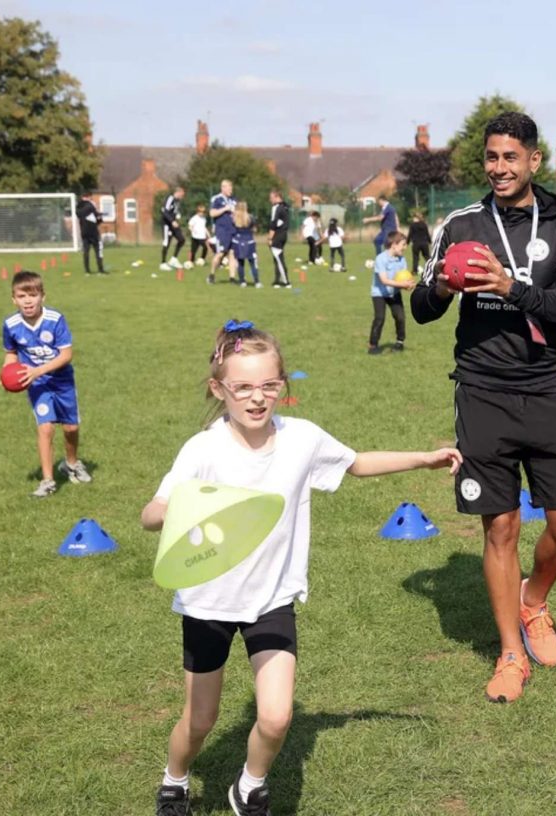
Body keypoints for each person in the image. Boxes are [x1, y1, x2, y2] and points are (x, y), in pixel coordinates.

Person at [143, 320, 460, 816]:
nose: (257, 398)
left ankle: (249, 787)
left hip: (272, 598)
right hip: (208, 601)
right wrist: (170, 511)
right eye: (242, 387)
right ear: (218, 389)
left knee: (276, 717)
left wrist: (424, 459)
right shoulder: (202, 449)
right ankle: (175, 779)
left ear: (282, 385)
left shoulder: (302, 439)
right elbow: (152, 512)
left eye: (269, 385)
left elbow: (356, 463)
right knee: (200, 720)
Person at [411, 111, 556, 703]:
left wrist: (509, 287)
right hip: (482, 389)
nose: (499, 167)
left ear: (533, 160)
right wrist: (444, 287)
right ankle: (510, 653)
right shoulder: (460, 223)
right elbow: (420, 307)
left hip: (546, 386)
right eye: (492, 157)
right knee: (501, 527)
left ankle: (532, 599)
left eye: (511, 157)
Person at [2, 271, 91, 497]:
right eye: (22, 296)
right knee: (46, 428)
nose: (28, 301)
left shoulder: (55, 319)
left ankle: (71, 463)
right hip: (37, 384)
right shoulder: (11, 325)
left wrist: (38, 370)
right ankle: (48, 481)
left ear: (43, 296)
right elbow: (11, 352)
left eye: (33, 295)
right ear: (14, 299)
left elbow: (66, 355)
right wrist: (6, 374)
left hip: (62, 381)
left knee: (71, 428)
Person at [368, 230, 413, 354]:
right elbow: (384, 280)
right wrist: (402, 285)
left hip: (394, 293)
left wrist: (408, 285)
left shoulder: (402, 260)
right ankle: (373, 345)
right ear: (394, 244)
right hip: (379, 293)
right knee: (380, 318)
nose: (405, 247)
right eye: (403, 244)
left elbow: (404, 278)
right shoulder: (380, 259)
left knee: (400, 317)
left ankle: (400, 342)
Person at [209, 180, 238, 285]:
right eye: (229, 188)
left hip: (233, 230)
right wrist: (224, 209)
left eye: (231, 188)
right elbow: (212, 213)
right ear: (223, 188)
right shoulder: (217, 199)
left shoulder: (234, 199)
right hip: (222, 230)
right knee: (220, 253)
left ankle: (232, 278)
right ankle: (212, 274)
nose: (231, 190)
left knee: (232, 254)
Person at [75, 192, 106, 275]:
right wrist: (99, 215)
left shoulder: (78, 206)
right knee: (98, 251)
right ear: (87, 197)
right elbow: (97, 219)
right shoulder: (90, 205)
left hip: (84, 232)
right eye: (90, 197)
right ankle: (100, 270)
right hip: (93, 232)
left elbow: (79, 215)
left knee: (86, 251)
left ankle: (87, 271)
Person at [232, 202, 261, 289]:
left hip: (238, 241)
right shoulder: (250, 217)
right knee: (253, 263)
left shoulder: (234, 218)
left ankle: (242, 281)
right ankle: (256, 282)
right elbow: (255, 229)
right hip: (249, 241)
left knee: (240, 263)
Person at [266, 190, 290, 288]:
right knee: (277, 258)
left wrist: (269, 238)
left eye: (271, 198)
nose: (270, 200)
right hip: (284, 235)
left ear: (277, 197)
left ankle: (286, 282)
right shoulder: (285, 206)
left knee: (279, 259)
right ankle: (277, 280)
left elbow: (273, 223)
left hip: (278, 235)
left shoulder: (276, 207)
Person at [160, 187, 187, 270]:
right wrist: (172, 221)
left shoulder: (177, 202)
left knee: (181, 239)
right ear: (178, 192)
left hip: (173, 224)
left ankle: (174, 259)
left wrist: (177, 217)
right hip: (167, 224)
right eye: (182, 195)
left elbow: (175, 212)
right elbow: (165, 211)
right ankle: (163, 263)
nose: (182, 197)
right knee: (166, 242)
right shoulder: (170, 199)